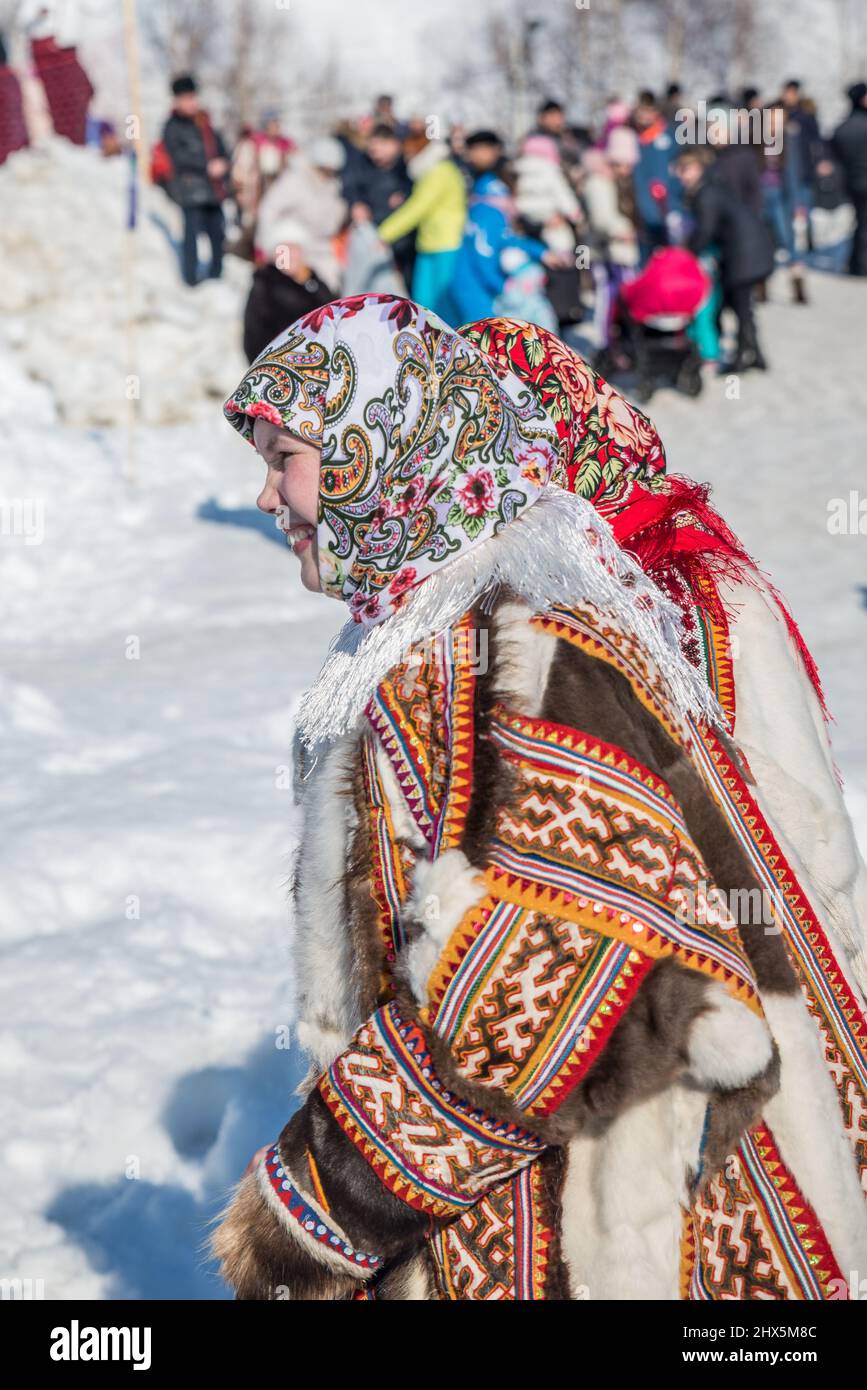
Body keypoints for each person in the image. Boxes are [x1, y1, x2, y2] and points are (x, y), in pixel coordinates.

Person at [211, 294, 867, 1301]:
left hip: (588, 1218)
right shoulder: (436, 626)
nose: (265, 498)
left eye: (285, 458)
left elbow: (551, 970)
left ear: (382, 451)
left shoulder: (486, 652)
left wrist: (317, 1206)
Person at [678, 148, 773, 371]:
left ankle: (742, 359)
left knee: (741, 306)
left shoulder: (706, 193)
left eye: (687, 169)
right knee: (744, 307)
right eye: (680, 169)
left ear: (700, 169)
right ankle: (757, 356)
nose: (682, 175)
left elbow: (706, 230)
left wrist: (687, 253)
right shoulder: (713, 186)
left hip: (744, 253)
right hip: (751, 249)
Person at [448, 129, 552, 324]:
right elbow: (483, 247)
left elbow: (502, 236)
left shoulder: (493, 186)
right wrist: (503, 286)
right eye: (473, 150)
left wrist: (542, 252)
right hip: (476, 284)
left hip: (480, 282)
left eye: (483, 149)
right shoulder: (484, 196)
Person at [377, 133, 466, 320]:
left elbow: (418, 207)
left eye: (409, 153)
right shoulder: (433, 171)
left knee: (442, 304)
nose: (407, 158)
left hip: (447, 244)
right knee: (425, 303)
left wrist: (384, 234)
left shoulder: (439, 171)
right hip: (431, 243)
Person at [161, 74, 229, 287]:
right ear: (177, 100)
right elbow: (178, 157)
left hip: (213, 191)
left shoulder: (205, 123)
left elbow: (221, 148)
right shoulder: (172, 126)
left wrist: (224, 163)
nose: (191, 102)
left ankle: (216, 277)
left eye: (192, 97)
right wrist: (206, 166)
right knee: (191, 237)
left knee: (218, 234)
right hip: (190, 191)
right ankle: (190, 280)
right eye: (186, 98)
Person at [255, 136, 347, 293]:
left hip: (321, 249)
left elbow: (334, 218)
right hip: (289, 247)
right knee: (283, 289)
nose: (328, 174)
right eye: (324, 169)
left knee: (327, 290)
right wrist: (266, 244)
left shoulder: (333, 186)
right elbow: (269, 209)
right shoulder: (294, 181)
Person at [242, 220, 333, 363]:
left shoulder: (313, 282)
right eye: (285, 251)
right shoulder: (266, 283)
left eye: (295, 249)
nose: (291, 256)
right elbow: (254, 333)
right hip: (280, 365)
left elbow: (333, 312)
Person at [342, 123, 414, 289]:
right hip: (376, 238)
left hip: (405, 243)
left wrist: (405, 195)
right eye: (372, 149)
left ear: (394, 144)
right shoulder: (363, 164)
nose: (375, 154)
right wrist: (356, 203)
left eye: (379, 148)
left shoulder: (406, 167)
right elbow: (350, 186)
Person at [632, 92, 681, 258]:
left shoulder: (671, 137)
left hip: (667, 211)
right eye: (641, 110)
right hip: (640, 214)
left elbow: (679, 171)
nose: (644, 115)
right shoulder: (632, 139)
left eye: (648, 110)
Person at [831, 81, 867, 276]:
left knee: (861, 222)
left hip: (852, 182)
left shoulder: (843, 127)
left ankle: (856, 264)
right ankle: (861, 266)